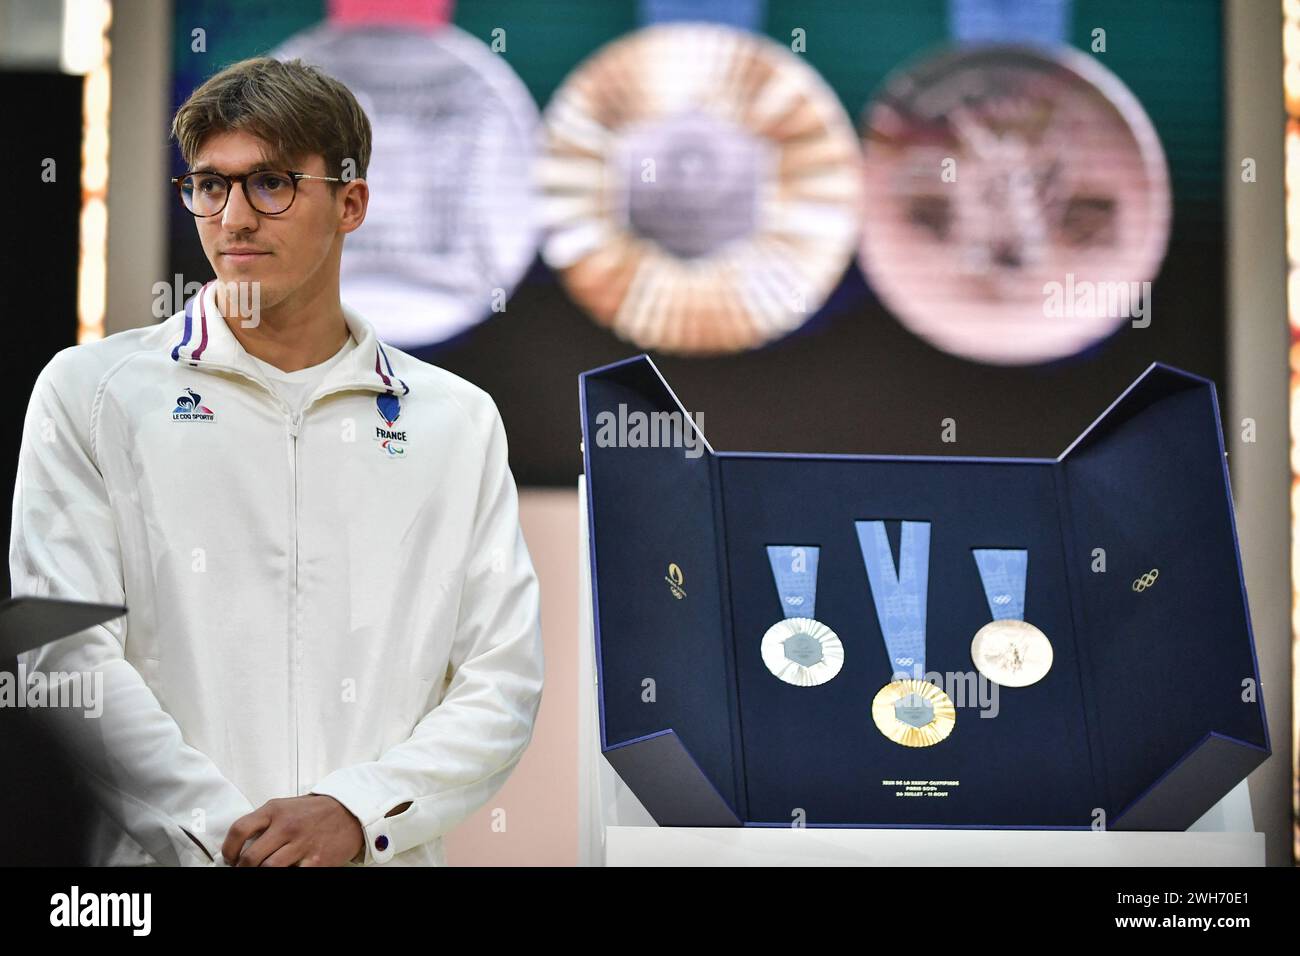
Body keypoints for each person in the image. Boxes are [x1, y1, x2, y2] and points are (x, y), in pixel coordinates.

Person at [8, 56, 544, 866]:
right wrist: (224, 837)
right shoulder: (91, 392)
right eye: (210, 186)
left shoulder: (457, 421)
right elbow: (62, 654)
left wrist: (356, 815)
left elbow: (500, 681)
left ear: (351, 202)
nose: (233, 217)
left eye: (271, 184)